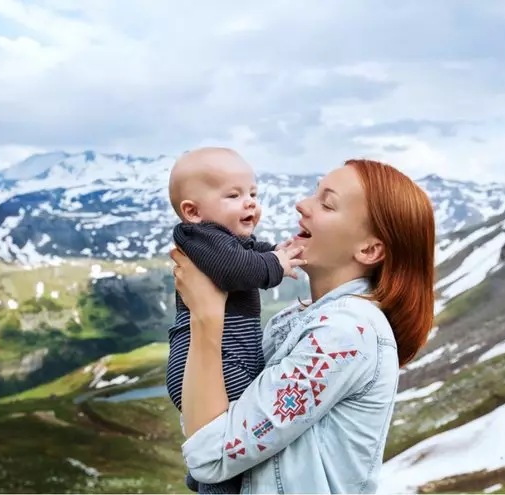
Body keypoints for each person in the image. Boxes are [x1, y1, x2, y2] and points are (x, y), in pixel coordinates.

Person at [171, 158, 435, 493]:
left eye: (326, 203)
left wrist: (206, 317)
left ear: (369, 249)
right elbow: (213, 417)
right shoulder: (292, 320)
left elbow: (211, 455)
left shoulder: (346, 333)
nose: (302, 205)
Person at [165, 147, 305, 494]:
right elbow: (237, 268)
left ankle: (204, 478)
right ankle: (212, 482)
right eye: (234, 195)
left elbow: (251, 251)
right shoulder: (199, 238)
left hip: (230, 352)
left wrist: (278, 253)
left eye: (253, 194)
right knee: (232, 433)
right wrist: (276, 265)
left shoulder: (222, 238)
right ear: (193, 212)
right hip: (211, 356)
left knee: (229, 433)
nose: (250, 203)